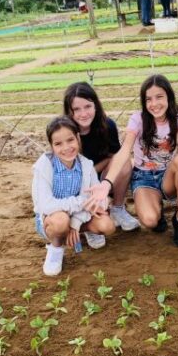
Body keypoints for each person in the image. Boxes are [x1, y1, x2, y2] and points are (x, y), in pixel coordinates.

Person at [85, 75, 178, 247]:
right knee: (150, 220)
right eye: (148, 99)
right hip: (144, 176)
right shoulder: (138, 119)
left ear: (168, 97)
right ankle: (157, 210)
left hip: (168, 176)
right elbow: (124, 151)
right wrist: (107, 183)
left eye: (159, 97)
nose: (154, 104)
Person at [32, 116, 116, 276]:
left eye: (70, 140)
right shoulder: (44, 165)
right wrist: (83, 202)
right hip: (52, 219)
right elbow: (46, 206)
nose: (66, 147)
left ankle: (82, 230)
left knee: (106, 225)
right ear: (51, 146)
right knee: (61, 221)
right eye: (58, 144)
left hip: (79, 216)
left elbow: (98, 201)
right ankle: (56, 248)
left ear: (78, 138)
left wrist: (76, 223)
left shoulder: (86, 165)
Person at [63, 82, 140, 232]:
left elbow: (115, 157)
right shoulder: (66, 132)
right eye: (76, 109)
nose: (83, 113)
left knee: (125, 162)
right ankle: (87, 220)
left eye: (87, 106)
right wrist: (96, 168)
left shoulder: (107, 125)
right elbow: (71, 171)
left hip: (102, 177)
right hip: (76, 182)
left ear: (95, 106)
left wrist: (99, 170)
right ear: (69, 111)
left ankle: (117, 208)